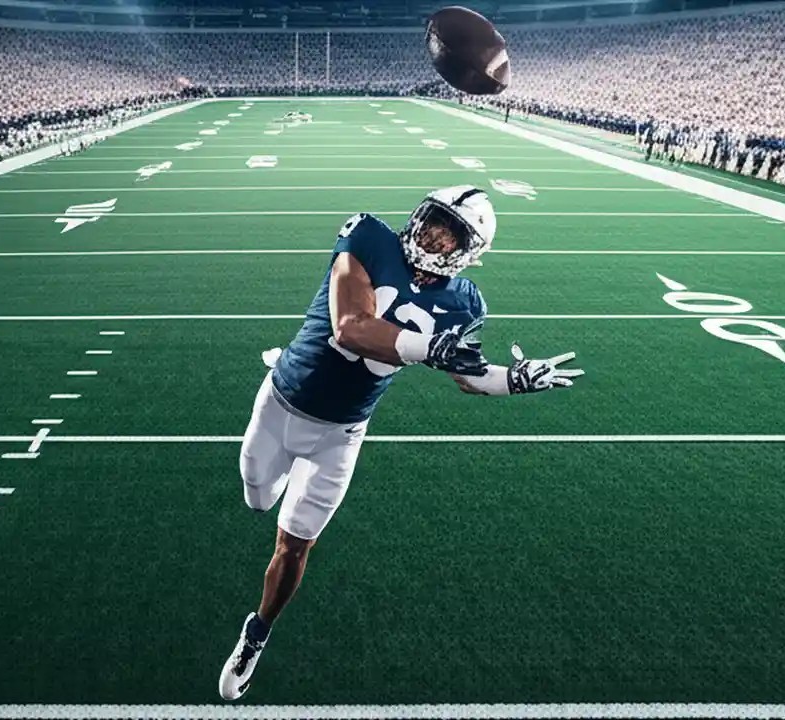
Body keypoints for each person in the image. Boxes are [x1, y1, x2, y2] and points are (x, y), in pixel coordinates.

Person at [218, 186, 585, 700]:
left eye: (448, 232)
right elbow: (349, 329)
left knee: (295, 545)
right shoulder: (369, 236)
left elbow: (468, 375)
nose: (432, 235)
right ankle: (271, 439)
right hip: (282, 401)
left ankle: (256, 634)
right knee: (256, 497)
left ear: (468, 250)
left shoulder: (465, 303)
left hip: (342, 434)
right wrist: (429, 349)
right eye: (432, 220)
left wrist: (511, 380)